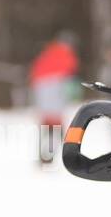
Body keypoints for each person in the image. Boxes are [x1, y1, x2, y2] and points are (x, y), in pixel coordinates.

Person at [29, 30, 80, 163]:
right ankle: (54, 154)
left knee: (47, 128)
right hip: (56, 98)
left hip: (43, 96)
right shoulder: (69, 57)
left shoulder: (48, 53)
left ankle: (44, 155)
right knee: (56, 129)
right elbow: (70, 80)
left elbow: (35, 73)